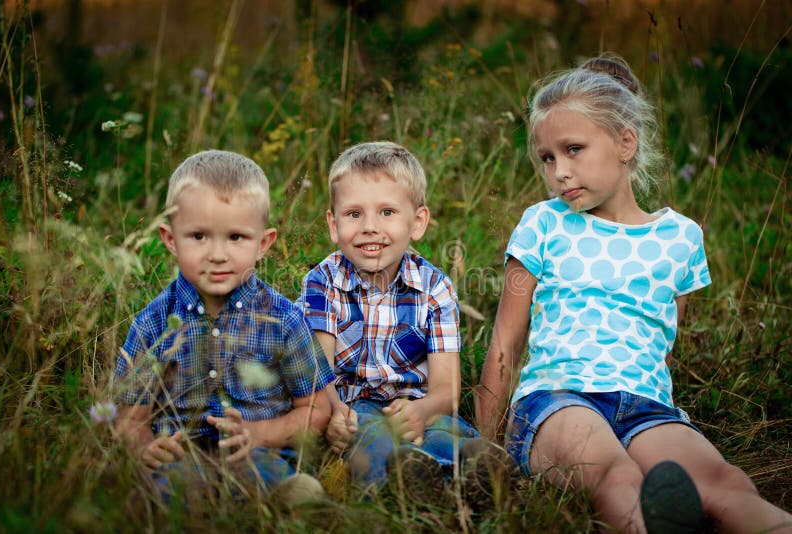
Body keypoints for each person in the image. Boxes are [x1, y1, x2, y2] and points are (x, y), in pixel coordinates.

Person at [477, 56, 792, 533]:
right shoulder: (542, 224)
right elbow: (505, 344)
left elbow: (662, 344)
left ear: (626, 142)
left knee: (726, 484)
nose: (559, 171)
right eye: (547, 157)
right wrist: (485, 453)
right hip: (556, 401)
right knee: (616, 475)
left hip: (646, 407)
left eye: (574, 149)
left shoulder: (681, 239)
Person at [297, 141, 515, 508]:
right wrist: (335, 415)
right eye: (353, 214)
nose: (370, 227)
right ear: (333, 225)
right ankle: (414, 487)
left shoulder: (435, 287)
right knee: (374, 442)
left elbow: (446, 390)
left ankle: (477, 474)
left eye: (387, 212)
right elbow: (321, 369)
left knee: (451, 435)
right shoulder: (323, 282)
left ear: (417, 222)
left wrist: (422, 411)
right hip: (355, 408)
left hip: (419, 405)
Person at [114, 150, 334, 500]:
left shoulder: (283, 320)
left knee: (283, 485)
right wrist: (144, 446)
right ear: (171, 240)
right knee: (165, 492)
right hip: (181, 459)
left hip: (260, 455)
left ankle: (292, 503)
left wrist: (261, 433)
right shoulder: (154, 322)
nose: (217, 254)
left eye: (235, 238)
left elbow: (316, 409)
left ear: (263, 244)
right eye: (199, 236)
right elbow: (131, 417)